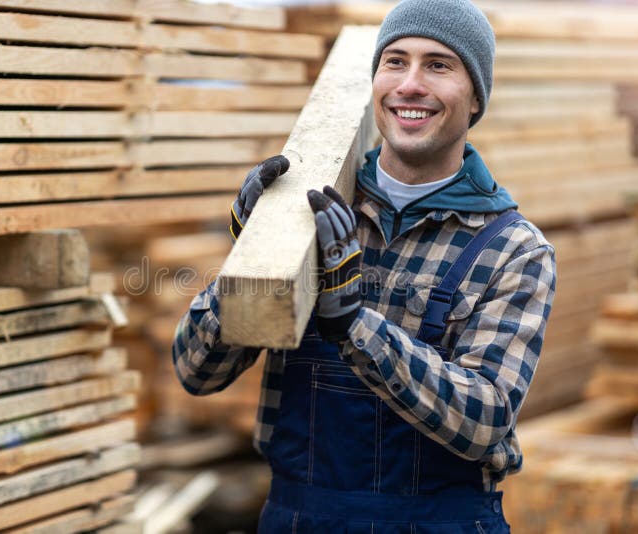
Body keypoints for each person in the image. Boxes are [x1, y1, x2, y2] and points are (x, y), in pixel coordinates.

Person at [172, 0, 556, 531]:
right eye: (395, 62)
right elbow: (196, 371)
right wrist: (249, 262)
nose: (410, 85)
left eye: (439, 66)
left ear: (475, 99)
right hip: (299, 517)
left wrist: (355, 324)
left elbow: (485, 420)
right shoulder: (309, 215)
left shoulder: (512, 249)